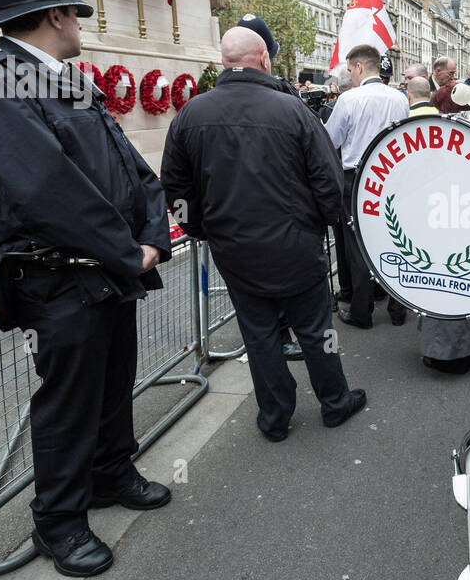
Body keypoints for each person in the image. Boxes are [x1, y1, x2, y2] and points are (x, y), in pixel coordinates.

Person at [0, 0, 171, 578]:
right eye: (76, 12)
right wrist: (127, 249)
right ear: (56, 14)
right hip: (56, 276)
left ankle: (110, 472)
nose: (80, 23)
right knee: (68, 399)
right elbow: (43, 185)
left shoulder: (63, 78)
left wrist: (152, 230)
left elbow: (126, 161)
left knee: (112, 378)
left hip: (105, 270)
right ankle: (59, 521)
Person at [162, 27, 366, 443]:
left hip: (235, 249)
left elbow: (175, 185)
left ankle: (274, 416)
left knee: (259, 334)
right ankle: (334, 401)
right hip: (295, 245)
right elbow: (328, 180)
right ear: (264, 58)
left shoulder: (191, 114)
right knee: (316, 330)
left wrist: (200, 226)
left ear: (224, 63)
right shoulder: (293, 112)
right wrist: (326, 224)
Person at [326, 44, 410, 328]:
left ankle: (362, 311)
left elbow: (330, 141)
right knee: (393, 239)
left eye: (350, 70)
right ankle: (399, 306)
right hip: (392, 175)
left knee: (357, 245)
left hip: (357, 176)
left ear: (360, 67)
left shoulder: (349, 100)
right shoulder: (399, 98)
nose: (349, 76)